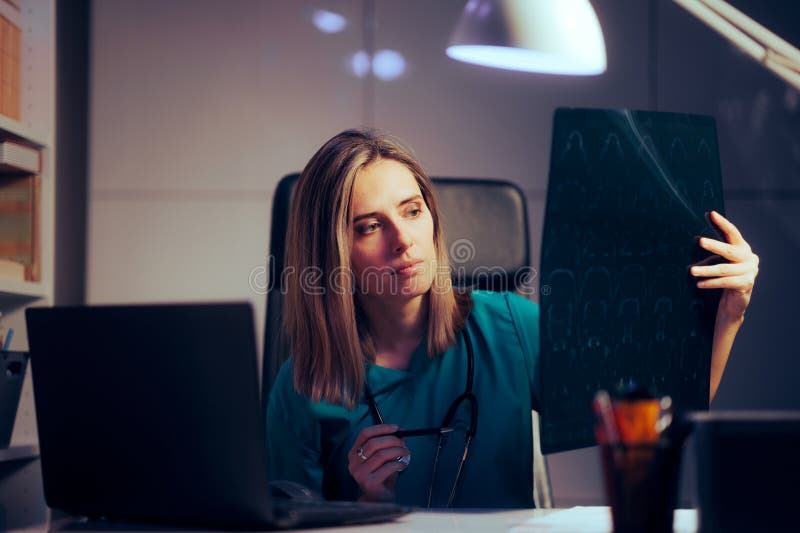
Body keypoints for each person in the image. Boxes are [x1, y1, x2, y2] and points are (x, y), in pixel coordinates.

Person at [265, 129, 759, 508]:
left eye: (412, 211)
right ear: (333, 253)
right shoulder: (301, 389)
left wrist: (729, 315)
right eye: (370, 226)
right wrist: (370, 506)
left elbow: (647, 426)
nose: (403, 239)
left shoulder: (509, 326)